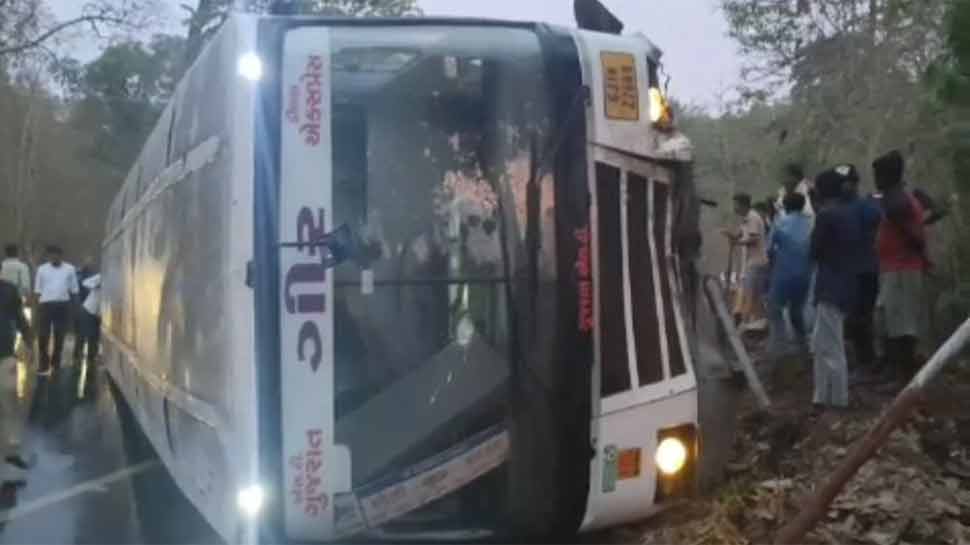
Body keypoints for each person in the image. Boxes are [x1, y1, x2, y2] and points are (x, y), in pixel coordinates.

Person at [872, 150, 929, 385]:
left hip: (902, 269)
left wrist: (917, 253)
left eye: (877, 175)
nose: (875, 179)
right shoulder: (897, 199)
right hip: (894, 269)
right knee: (889, 321)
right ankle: (898, 373)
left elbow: (915, 235)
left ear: (887, 176)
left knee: (901, 326)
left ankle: (904, 379)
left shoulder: (897, 201)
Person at [810, 167, 864, 411]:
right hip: (845, 283)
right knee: (823, 343)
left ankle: (838, 399)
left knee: (830, 347)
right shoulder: (848, 213)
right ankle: (822, 396)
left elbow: (814, 251)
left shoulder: (826, 215)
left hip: (830, 286)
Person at [838, 165, 883, 379]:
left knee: (860, 317)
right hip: (848, 272)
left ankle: (867, 364)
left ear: (854, 183)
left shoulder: (866, 206)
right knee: (854, 318)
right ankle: (865, 361)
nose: (843, 186)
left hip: (866, 270)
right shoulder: (839, 207)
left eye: (846, 182)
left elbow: (880, 224)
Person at [767, 192, 813, 357]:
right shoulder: (811, 222)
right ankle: (803, 347)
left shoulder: (779, 222)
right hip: (805, 275)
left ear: (785, 207)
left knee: (773, 308)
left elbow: (769, 250)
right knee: (796, 311)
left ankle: (780, 348)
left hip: (784, 274)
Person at [0, 277, 32, 485]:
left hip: (5, 355)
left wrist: (29, 342)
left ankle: (11, 451)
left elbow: (20, 318)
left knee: (9, 401)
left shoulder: (8, 290)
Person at [722, 193, 769, 332]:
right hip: (750, 262)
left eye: (736, 204)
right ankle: (754, 324)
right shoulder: (746, 219)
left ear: (743, 204)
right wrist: (731, 235)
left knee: (750, 294)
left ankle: (744, 326)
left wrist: (737, 242)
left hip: (756, 262)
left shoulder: (753, 218)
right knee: (752, 295)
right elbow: (741, 234)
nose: (734, 207)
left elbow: (753, 239)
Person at [34, 247, 78, 375]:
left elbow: (74, 290)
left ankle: (56, 360)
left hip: (62, 305)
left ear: (61, 256)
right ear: (48, 256)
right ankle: (43, 363)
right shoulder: (42, 269)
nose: (54, 258)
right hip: (45, 305)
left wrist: (76, 307)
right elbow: (37, 290)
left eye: (56, 255)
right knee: (43, 336)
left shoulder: (69, 269)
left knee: (60, 335)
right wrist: (35, 309)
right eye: (51, 255)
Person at [73, 259, 97, 364]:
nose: (88, 266)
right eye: (87, 264)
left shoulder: (92, 274)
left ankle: (91, 357)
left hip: (95, 310)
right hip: (86, 307)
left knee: (94, 336)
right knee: (81, 333)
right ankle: (77, 355)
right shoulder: (98, 277)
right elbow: (84, 285)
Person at [77, 270, 101, 365]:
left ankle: (91, 358)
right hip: (88, 309)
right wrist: (95, 285)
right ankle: (77, 358)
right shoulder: (101, 276)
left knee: (94, 337)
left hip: (99, 314)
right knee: (83, 334)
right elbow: (85, 282)